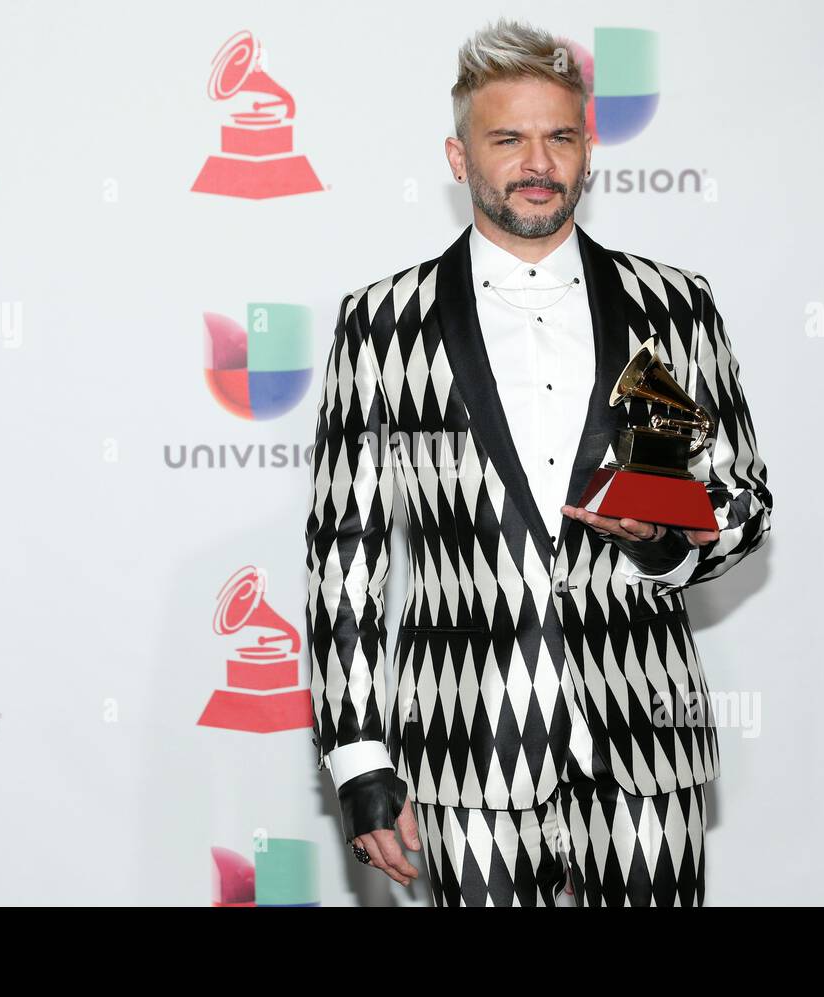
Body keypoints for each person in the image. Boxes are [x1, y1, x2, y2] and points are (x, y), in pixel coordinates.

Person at [304, 17, 772, 906]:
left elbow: (744, 499)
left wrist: (669, 535)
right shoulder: (381, 323)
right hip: (466, 745)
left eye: (559, 136)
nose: (536, 162)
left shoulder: (675, 305)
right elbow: (346, 559)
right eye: (507, 138)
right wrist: (361, 760)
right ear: (458, 155)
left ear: (589, 149)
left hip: (646, 739)